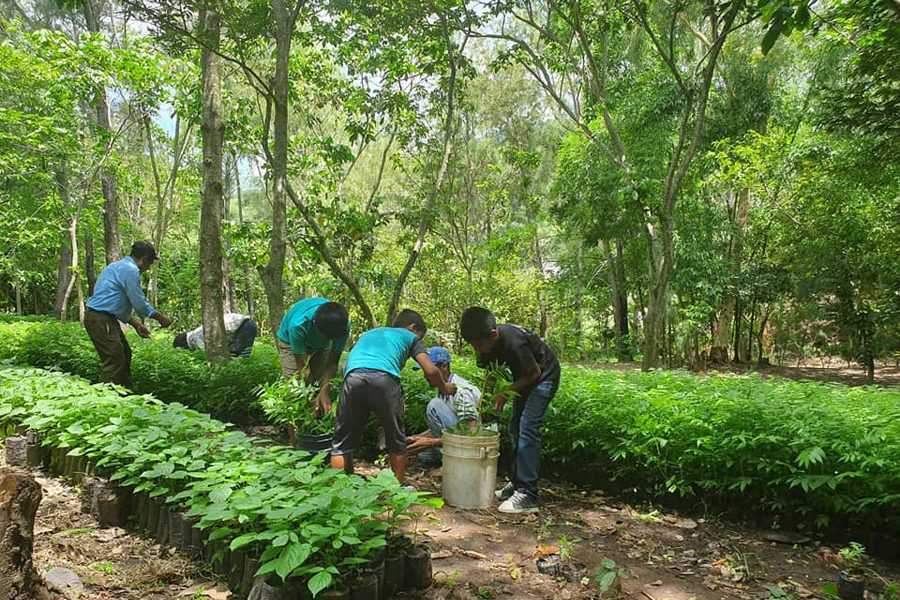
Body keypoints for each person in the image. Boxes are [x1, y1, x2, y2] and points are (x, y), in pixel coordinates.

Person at [331, 310, 457, 484]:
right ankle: (395, 490)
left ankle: (338, 489)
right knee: (396, 438)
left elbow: (348, 364)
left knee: (342, 442)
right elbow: (430, 370)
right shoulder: (410, 336)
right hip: (385, 380)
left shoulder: (370, 334)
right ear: (413, 328)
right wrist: (445, 387)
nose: (420, 339)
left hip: (352, 378)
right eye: (421, 335)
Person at [459, 307, 561, 514]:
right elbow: (492, 372)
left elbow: (534, 373)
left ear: (494, 334)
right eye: (472, 345)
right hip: (523, 379)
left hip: (543, 377)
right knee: (514, 429)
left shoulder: (514, 342)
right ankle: (516, 483)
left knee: (527, 428)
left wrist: (504, 394)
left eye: (478, 344)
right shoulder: (485, 344)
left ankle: (528, 493)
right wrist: (485, 399)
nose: (476, 349)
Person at [83, 241, 172, 388]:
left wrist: (136, 325)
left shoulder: (117, 267)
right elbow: (138, 302)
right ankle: (108, 401)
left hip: (102, 318)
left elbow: (113, 304)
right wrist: (160, 317)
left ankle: (125, 395)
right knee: (115, 359)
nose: (148, 268)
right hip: (100, 319)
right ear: (144, 259)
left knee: (124, 354)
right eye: (149, 264)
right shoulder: (130, 270)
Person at [405, 346, 482, 465]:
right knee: (422, 454)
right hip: (457, 440)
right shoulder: (444, 389)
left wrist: (432, 443)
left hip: (475, 449)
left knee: (434, 405)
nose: (426, 375)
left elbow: (471, 433)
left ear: (444, 367)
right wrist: (415, 438)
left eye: (429, 370)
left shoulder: (460, 391)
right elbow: (441, 427)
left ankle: (452, 466)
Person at [277, 298, 350, 412]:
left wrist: (325, 392)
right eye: (325, 336)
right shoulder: (298, 325)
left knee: (319, 381)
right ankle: (294, 426)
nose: (327, 339)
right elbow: (304, 370)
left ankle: (317, 418)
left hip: (321, 344)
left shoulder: (341, 326)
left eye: (330, 338)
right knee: (295, 387)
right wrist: (310, 399)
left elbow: (332, 364)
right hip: (289, 342)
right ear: (314, 324)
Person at [172, 313, 258, 357]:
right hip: (246, 325)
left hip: (245, 326)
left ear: (184, 344)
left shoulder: (196, 337)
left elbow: (208, 354)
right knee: (240, 355)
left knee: (238, 355)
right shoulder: (198, 333)